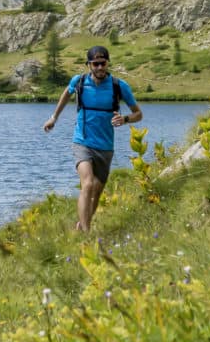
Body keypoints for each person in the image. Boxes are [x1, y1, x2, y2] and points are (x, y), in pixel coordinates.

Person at [43, 45, 142, 232]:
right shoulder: (79, 82)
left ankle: (81, 226)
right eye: (95, 64)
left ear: (107, 63)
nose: (99, 68)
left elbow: (138, 114)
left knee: (96, 191)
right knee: (87, 183)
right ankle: (87, 234)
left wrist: (125, 119)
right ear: (88, 65)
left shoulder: (119, 86)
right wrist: (54, 118)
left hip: (105, 145)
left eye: (102, 63)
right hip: (82, 141)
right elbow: (66, 94)